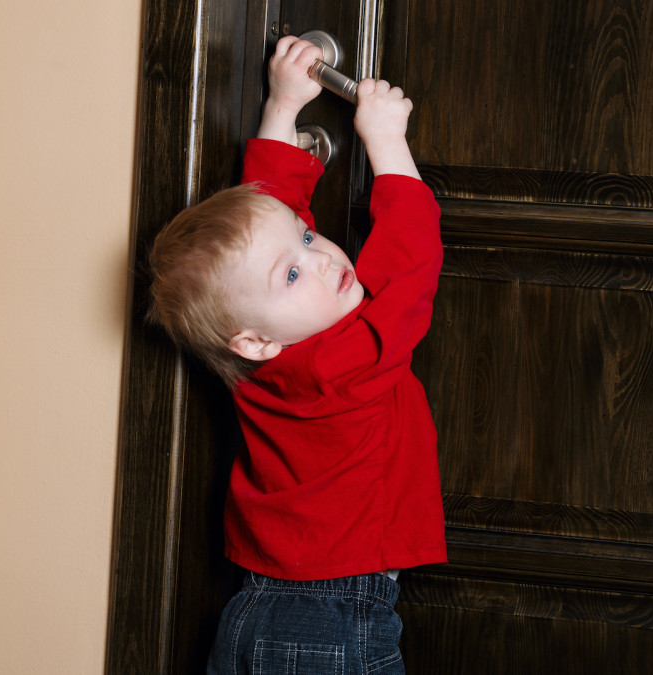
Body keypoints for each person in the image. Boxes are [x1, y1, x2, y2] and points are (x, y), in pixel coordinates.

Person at [148, 34, 446, 674]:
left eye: (309, 238)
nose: (322, 259)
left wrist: (284, 107)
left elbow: (268, 221)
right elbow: (410, 267)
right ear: (253, 338)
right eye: (292, 275)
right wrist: (386, 142)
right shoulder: (350, 360)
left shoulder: (260, 363)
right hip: (334, 620)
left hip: (257, 609)